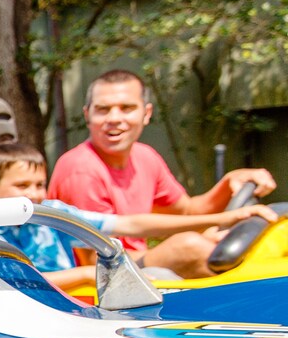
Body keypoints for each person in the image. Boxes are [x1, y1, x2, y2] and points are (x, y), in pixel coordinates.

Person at [48, 69, 276, 277]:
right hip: (91, 293)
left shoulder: (145, 156)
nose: (114, 119)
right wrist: (180, 249)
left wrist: (229, 183)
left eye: (126, 108)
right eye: (103, 109)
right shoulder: (80, 169)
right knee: (190, 247)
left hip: (133, 272)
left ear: (146, 113)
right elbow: (94, 261)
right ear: (87, 114)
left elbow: (186, 212)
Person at [0, 142, 276, 292]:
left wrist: (226, 218)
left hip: (78, 301)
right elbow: (11, 281)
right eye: (22, 186)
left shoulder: (50, 212)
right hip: (38, 310)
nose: (35, 194)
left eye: (39, 185)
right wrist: (85, 275)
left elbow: (131, 223)